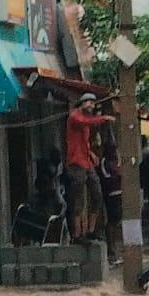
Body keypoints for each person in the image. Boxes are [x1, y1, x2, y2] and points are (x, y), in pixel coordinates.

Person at [64, 92, 114, 241]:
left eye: (93, 103)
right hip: (76, 163)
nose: (91, 105)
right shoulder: (75, 116)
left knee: (97, 194)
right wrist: (104, 118)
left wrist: (91, 153)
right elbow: (86, 122)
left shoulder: (85, 121)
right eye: (89, 102)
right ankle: (77, 234)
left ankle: (91, 230)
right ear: (82, 103)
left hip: (86, 161)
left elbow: (83, 142)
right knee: (77, 198)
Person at [99, 134, 123, 266]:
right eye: (113, 148)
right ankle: (111, 250)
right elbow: (107, 179)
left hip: (119, 194)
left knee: (117, 221)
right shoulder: (104, 162)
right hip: (111, 195)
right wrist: (118, 175)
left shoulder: (115, 160)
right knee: (112, 222)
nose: (115, 151)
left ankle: (115, 249)